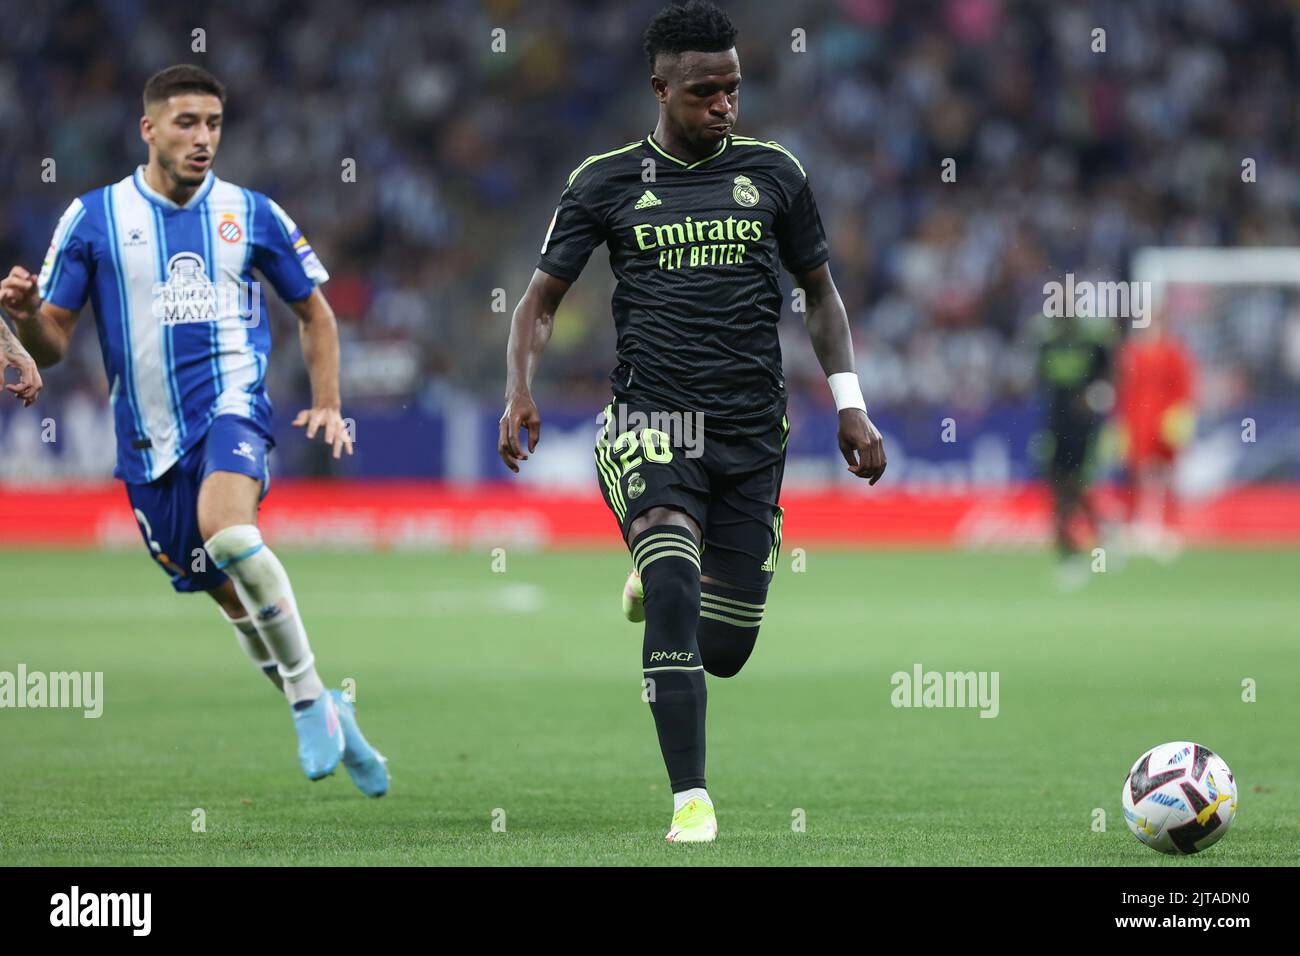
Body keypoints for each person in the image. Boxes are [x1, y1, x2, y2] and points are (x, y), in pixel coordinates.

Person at [498, 1, 885, 842]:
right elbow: (539, 301)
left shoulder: (776, 173)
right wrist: (519, 388)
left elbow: (820, 294)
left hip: (752, 434)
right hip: (651, 421)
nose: (725, 105)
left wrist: (850, 405)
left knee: (726, 649)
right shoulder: (603, 181)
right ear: (661, 88)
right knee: (675, 574)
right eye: (706, 91)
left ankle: (659, 574)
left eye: (734, 89)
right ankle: (691, 801)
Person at [0, 64, 387, 796]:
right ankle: (335, 712)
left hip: (232, 407)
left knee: (232, 534)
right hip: (146, 444)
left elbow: (316, 313)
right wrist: (21, 318)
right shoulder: (94, 219)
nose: (203, 137)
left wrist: (329, 401)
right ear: (149, 129)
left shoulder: (252, 213)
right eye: (186, 122)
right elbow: (52, 339)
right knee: (236, 600)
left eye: (213, 123)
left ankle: (307, 701)